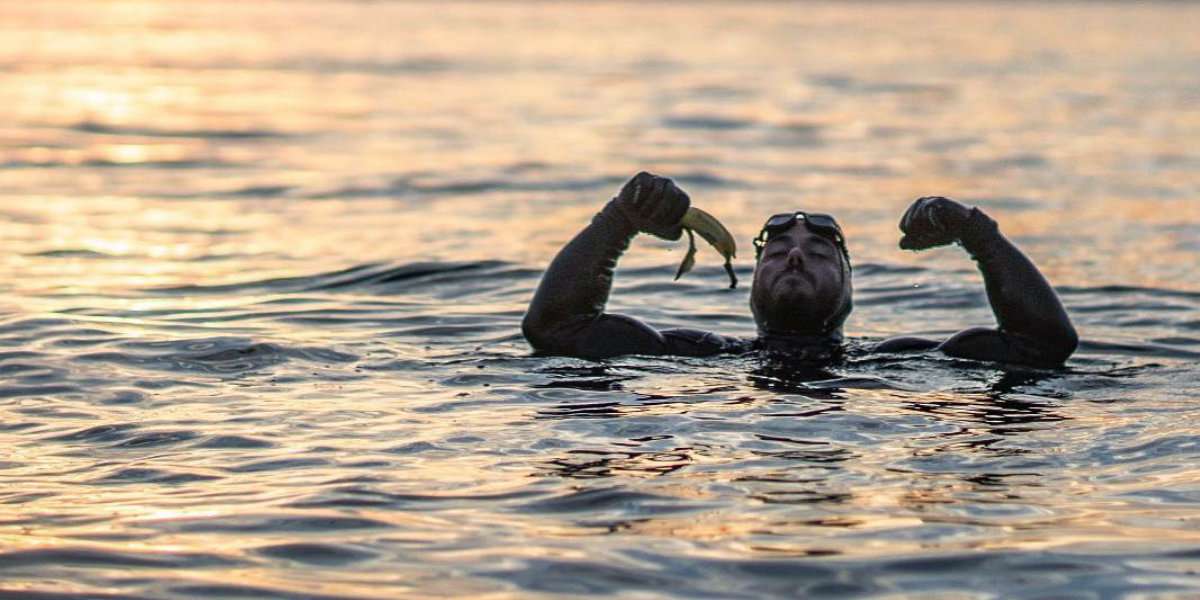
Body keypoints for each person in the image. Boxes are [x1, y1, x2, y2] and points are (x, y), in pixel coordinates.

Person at [522, 172, 1078, 367]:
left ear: (850, 287)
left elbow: (1044, 345)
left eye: (816, 252)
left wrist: (980, 235)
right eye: (779, 249)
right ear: (750, 282)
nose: (794, 253)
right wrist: (618, 220)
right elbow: (553, 329)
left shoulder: (908, 360)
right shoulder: (689, 353)